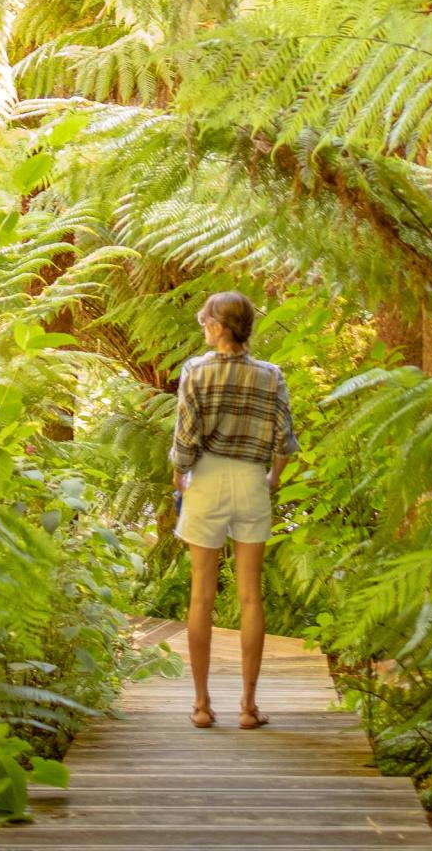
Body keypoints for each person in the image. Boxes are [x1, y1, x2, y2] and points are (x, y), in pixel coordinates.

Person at [170, 290, 298, 730]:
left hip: (205, 480)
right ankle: (248, 707)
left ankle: (203, 706)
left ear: (220, 327)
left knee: (201, 596)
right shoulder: (271, 375)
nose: (203, 327)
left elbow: (185, 440)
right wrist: (272, 477)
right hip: (250, 482)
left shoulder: (195, 371)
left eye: (206, 321)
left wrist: (180, 476)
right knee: (250, 597)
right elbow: (286, 442)